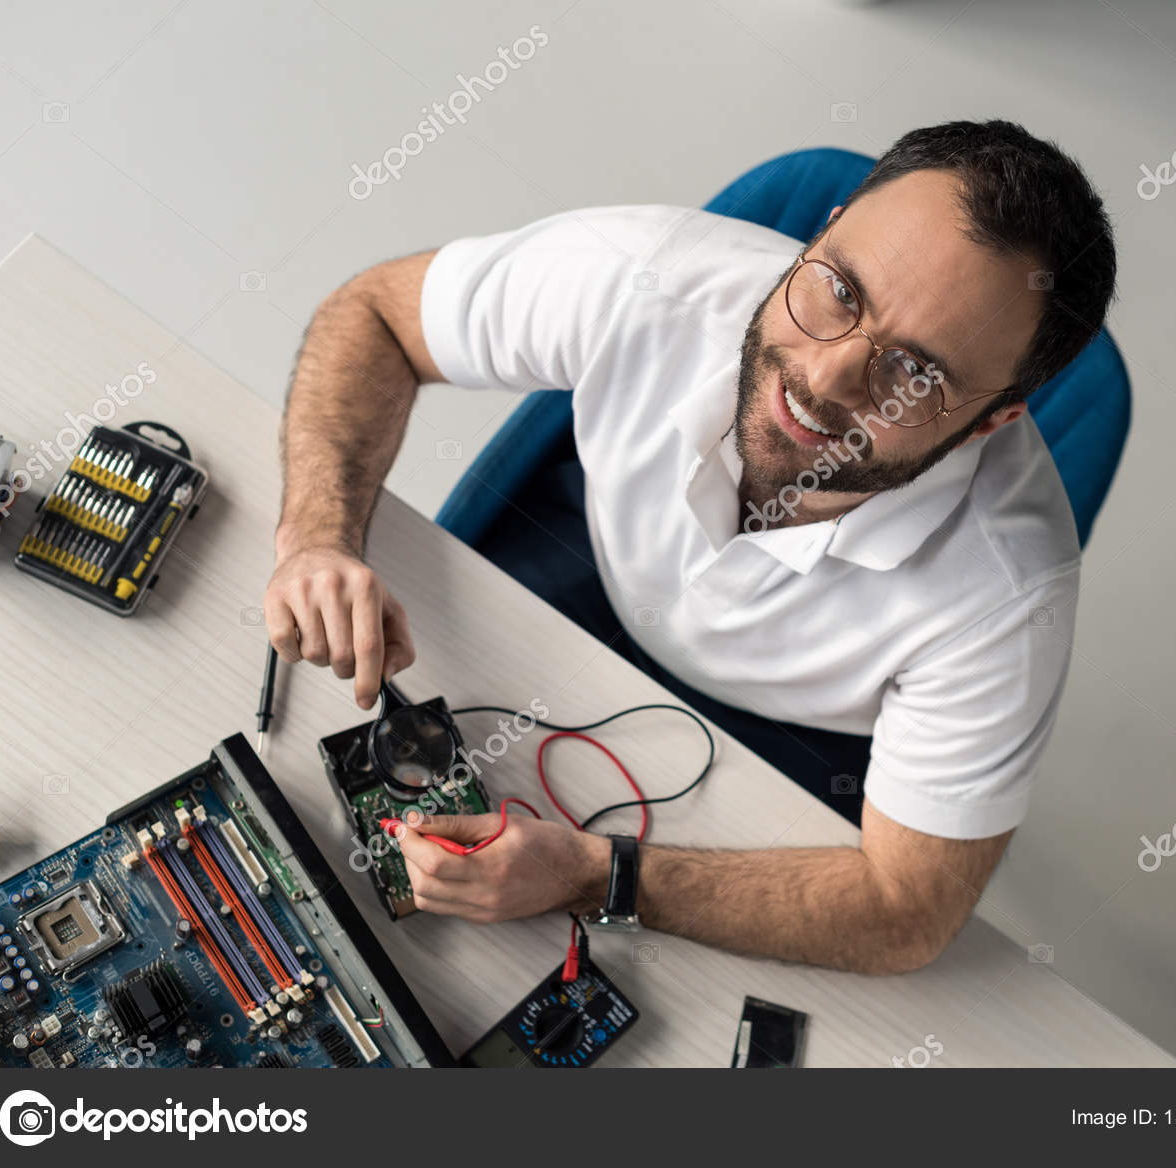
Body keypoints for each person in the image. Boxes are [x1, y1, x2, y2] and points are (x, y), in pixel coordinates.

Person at [263, 119, 1117, 974]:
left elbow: (906, 912)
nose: (824, 380)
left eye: (917, 374)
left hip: (787, 725)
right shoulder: (647, 273)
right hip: (596, 558)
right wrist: (316, 538)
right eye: (840, 291)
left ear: (995, 420)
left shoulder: (1011, 598)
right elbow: (376, 314)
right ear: (821, 230)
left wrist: (597, 878)